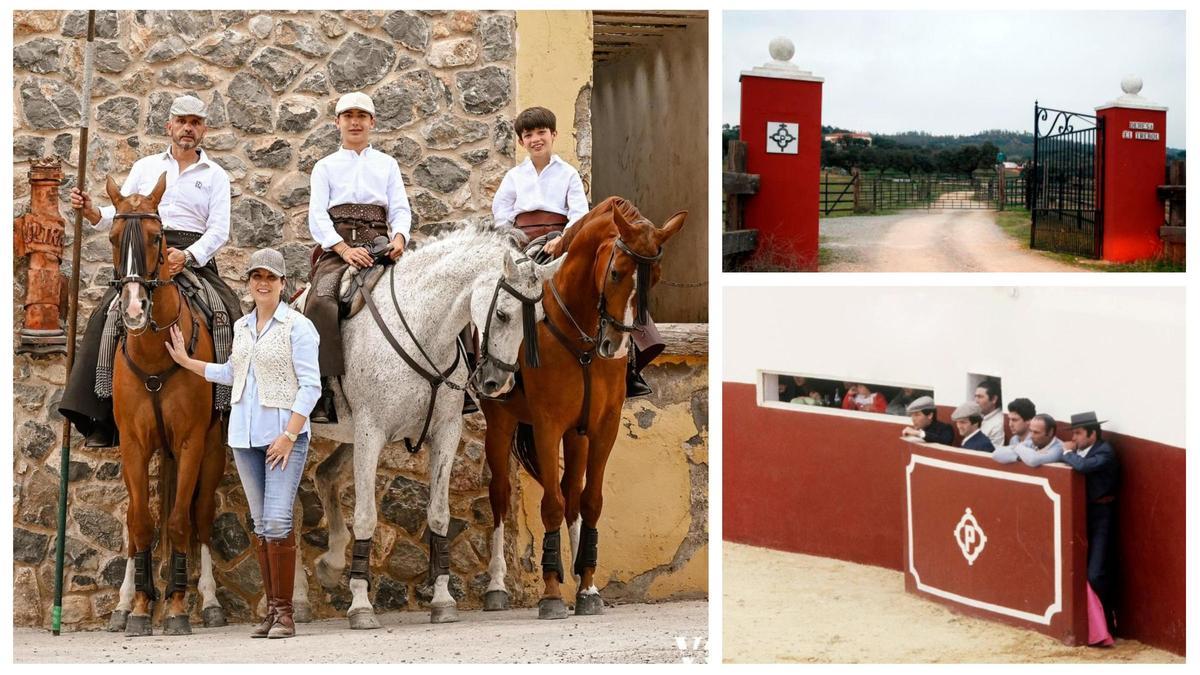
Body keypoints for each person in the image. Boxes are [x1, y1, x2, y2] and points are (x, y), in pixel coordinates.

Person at [59, 94, 241, 448]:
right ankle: (101, 410)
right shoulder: (144, 167)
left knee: (226, 310)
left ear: (203, 130)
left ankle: (226, 407)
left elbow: (218, 230)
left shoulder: (216, 176)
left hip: (191, 256)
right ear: (169, 126)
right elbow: (125, 213)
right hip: (141, 254)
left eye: (195, 122)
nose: (188, 128)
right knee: (107, 314)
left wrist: (186, 256)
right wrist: (95, 213)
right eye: (181, 121)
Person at [165, 248, 319, 640]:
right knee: (261, 526)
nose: (263, 283)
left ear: (283, 284)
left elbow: (311, 386)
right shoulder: (242, 327)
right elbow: (234, 373)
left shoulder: (298, 328)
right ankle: (271, 612)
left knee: (278, 520)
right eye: (256, 277)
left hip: (283, 437)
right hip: (245, 439)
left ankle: (284, 615)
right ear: (249, 284)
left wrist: (289, 436)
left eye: (270, 277)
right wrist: (186, 361)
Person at [492, 105, 660, 398]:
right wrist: (513, 242)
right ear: (521, 141)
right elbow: (501, 216)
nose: (535, 139)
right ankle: (499, 368)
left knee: (617, 289)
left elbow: (579, 214)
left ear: (554, 134)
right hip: (523, 245)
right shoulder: (514, 177)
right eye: (528, 134)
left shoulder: (568, 174)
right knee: (499, 298)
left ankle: (631, 367)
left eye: (541, 132)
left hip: (561, 242)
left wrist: (563, 240)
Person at [305, 91, 411, 423]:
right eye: (348, 115)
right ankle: (322, 392)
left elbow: (400, 208)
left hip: (382, 244)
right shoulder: (325, 167)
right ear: (337, 122)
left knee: (429, 288)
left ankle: (454, 387)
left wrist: (399, 237)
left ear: (372, 122)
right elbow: (317, 216)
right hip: (339, 249)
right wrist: (343, 249)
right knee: (319, 302)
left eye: (361, 116)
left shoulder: (387, 164)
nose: (355, 121)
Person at [1060, 411, 1119, 642]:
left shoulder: (1105, 452)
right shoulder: (1081, 451)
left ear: (1093, 434)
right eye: (1073, 433)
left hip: (1101, 516)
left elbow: (1083, 467)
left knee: (1095, 574)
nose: (1074, 438)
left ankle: (1106, 626)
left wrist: (1066, 452)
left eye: (1078, 433)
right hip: (1084, 514)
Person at [995, 413, 1064, 467]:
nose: (1031, 436)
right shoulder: (1031, 443)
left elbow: (1033, 460)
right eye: (1031, 431)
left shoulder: (1060, 448)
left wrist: (1017, 448)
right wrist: (1021, 457)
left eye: (1036, 432)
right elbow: (996, 454)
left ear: (1050, 432)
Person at [974, 379, 1005, 448]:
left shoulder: (998, 423)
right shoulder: (980, 415)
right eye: (975, 396)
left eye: (980, 397)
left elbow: (993, 452)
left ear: (994, 399)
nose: (976, 401)